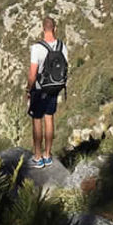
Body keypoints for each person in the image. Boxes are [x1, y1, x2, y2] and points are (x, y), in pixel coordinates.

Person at [25, 15, 68, 169]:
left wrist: (28, 89)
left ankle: (38, 157)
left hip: (39, 88)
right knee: (49, 119)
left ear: (43, 29)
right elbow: (65, 68)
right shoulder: (62, 46)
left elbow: (32, 72)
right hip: (55, 88)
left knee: (37, 120)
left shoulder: (37, 48)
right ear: (54, 28)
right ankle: (48, 155)